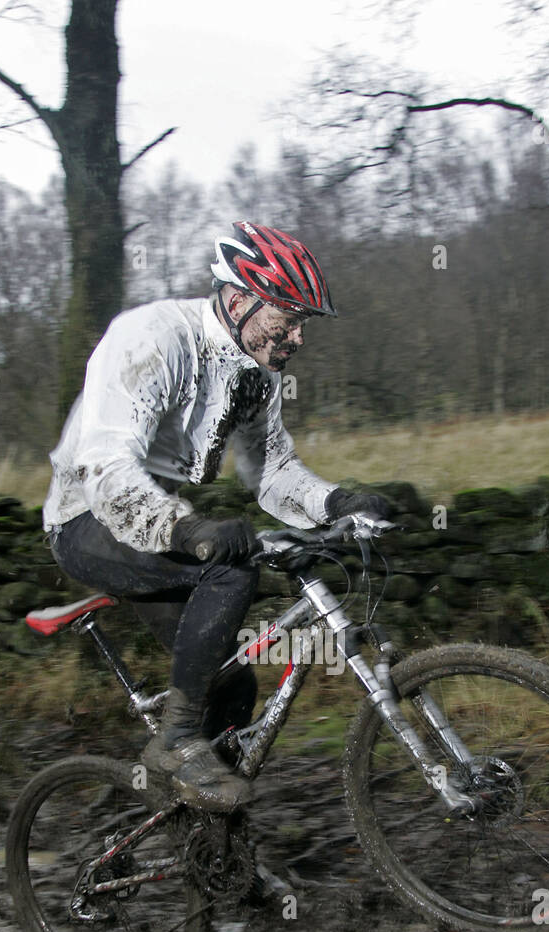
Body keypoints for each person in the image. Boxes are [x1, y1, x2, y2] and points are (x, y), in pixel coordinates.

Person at [43, 220, 392, 812]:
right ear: (238, 300)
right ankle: (175, 743)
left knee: (231, 683)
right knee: (232, 569)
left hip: (155, 522)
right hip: (88, 518)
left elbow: (272, 472)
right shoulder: (151, 339)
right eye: (288, 318)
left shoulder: (257, 370)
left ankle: (211, 847)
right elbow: (105, 469)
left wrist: (336, 502)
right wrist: (189, 531)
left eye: (304, 322)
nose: (298, 337)